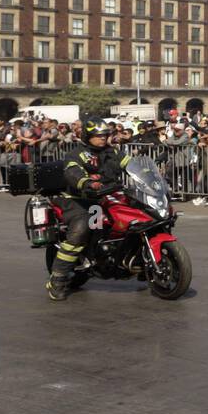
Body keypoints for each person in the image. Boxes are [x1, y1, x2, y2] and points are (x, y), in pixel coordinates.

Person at [45, 118, 130, 301]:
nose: (102, 138)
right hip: (78, 199)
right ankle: (57, 280)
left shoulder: (113, 152)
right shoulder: (77, 154)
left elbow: (130, 164)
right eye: (97, 136)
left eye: (104, 135)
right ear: (87, 136)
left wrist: (149, 172)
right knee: (82, 229)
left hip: (107, 197)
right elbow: (72, 172)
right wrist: (87, 182)